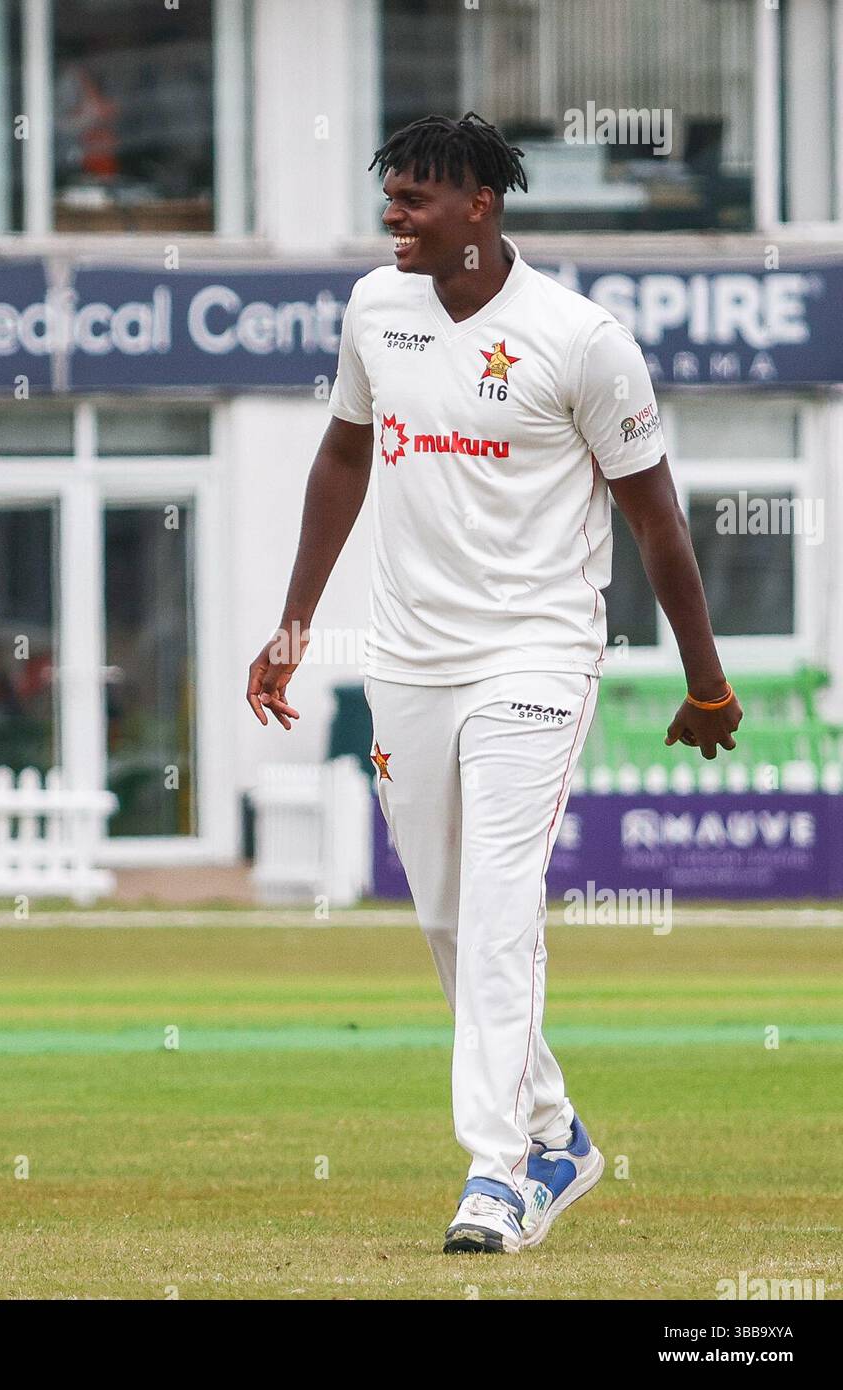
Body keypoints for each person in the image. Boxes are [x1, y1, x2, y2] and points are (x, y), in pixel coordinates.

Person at [245, 112, 742, 1255]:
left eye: (414, 197)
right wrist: (293, 623)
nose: (392, 216)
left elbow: (653, 512)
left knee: (502, 897)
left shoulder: (579, 338)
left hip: (536, 652)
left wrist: (703, 680)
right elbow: (341, 453)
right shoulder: (375, 309)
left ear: (480, 206)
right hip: (407, 657)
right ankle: (556, 1128)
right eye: (389, 197)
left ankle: (498, 1172)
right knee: (445, 916)